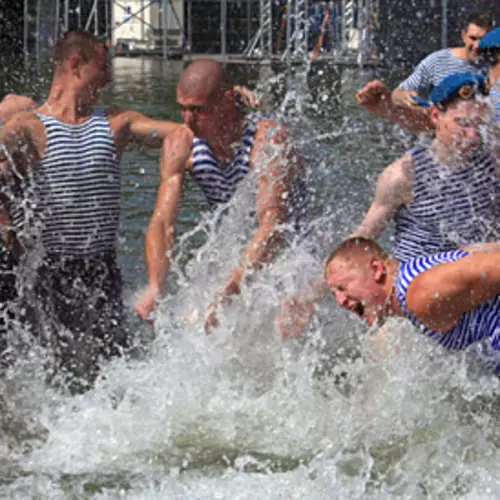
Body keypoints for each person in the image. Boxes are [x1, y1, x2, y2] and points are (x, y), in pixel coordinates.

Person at [0, 30, 190, 386]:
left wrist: (230, 112)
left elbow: (181, 133)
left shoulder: (117, 123)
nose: (109, 78)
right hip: (47, 276)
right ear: (76, 65)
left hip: (102, 274)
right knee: (53, 379)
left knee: (112, 376)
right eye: (102, 68)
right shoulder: (28, 127)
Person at [278, 72, 499, 338]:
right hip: (414, 299)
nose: (473, 135)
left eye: (479, 124)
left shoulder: (492, 154)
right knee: (391, 343)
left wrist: (390, 109)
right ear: (436, 117)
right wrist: (309, 295)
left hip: (476, 283)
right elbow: (362, 238)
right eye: (462, 124)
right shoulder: (404, 175)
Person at [135, 60, 307, 330]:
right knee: (196, 321)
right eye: (183, 108)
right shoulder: (182, 144)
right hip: (235, 247)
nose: (188, 119)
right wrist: (155, 285)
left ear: (227, 102)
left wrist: (230, 289)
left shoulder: (268, 141)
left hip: (289, 254)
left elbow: (272, 227)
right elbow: (162, 222)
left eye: (198, 110)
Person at [324, 236, 500, 373]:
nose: (340, 302)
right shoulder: (414, 287)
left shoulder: (421, 295)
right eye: (335, 295)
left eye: (343, 287)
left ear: (377, 269)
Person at [356, 10, 493, 131]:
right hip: (441, 138)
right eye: (473, 38)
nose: (477, 45)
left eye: (483, 39)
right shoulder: (438, 61)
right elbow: (398, 93)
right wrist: (402, 96)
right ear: (463, 36)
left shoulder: (495, 65)